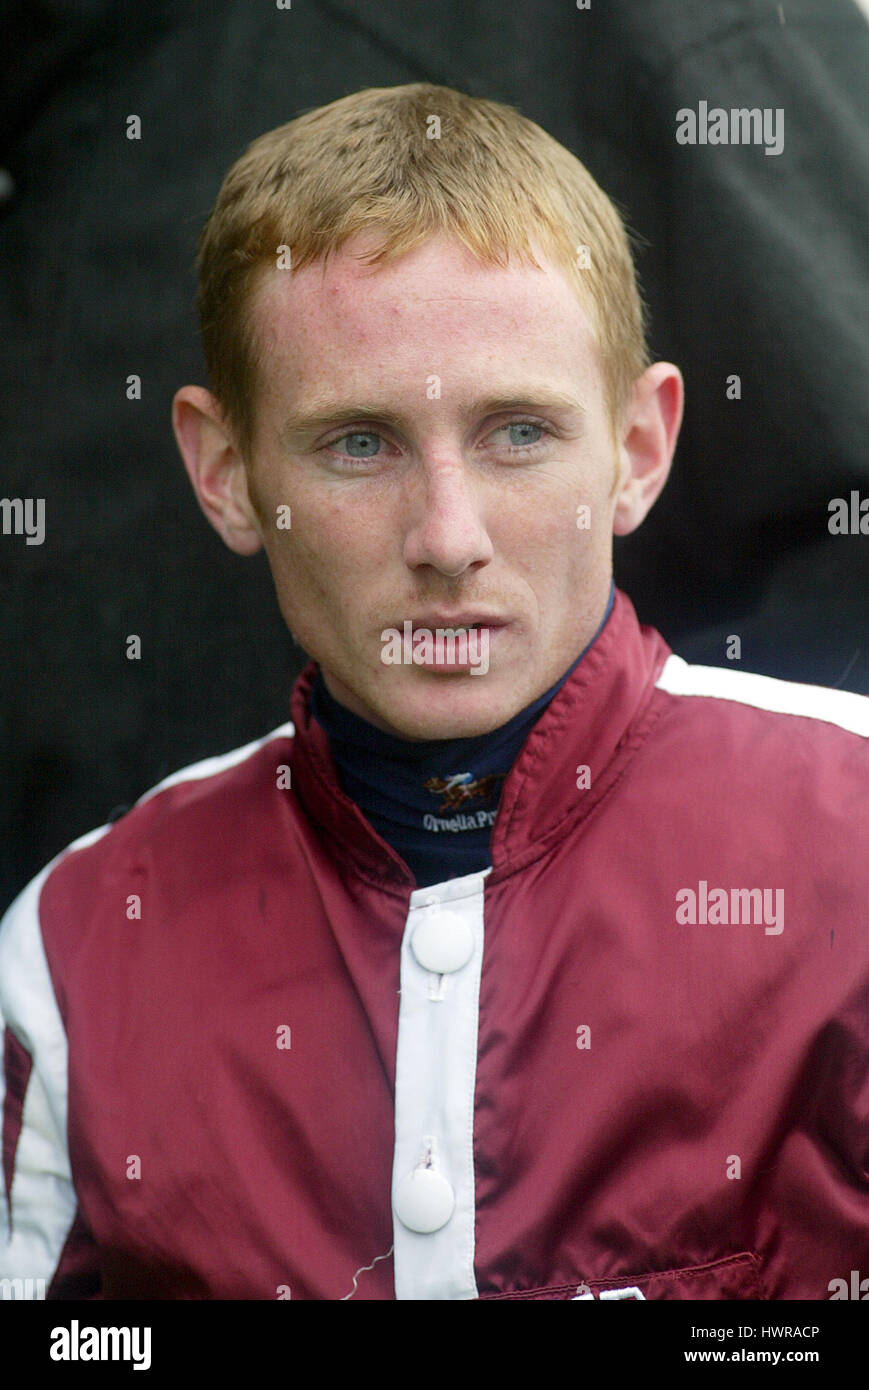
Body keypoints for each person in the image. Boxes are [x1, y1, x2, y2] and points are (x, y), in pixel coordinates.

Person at [1, 83, 866, 1301]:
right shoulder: (73, 945)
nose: (446, 537)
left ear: (636, 449)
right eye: (359, 444)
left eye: (517, 432)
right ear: (228, 471)